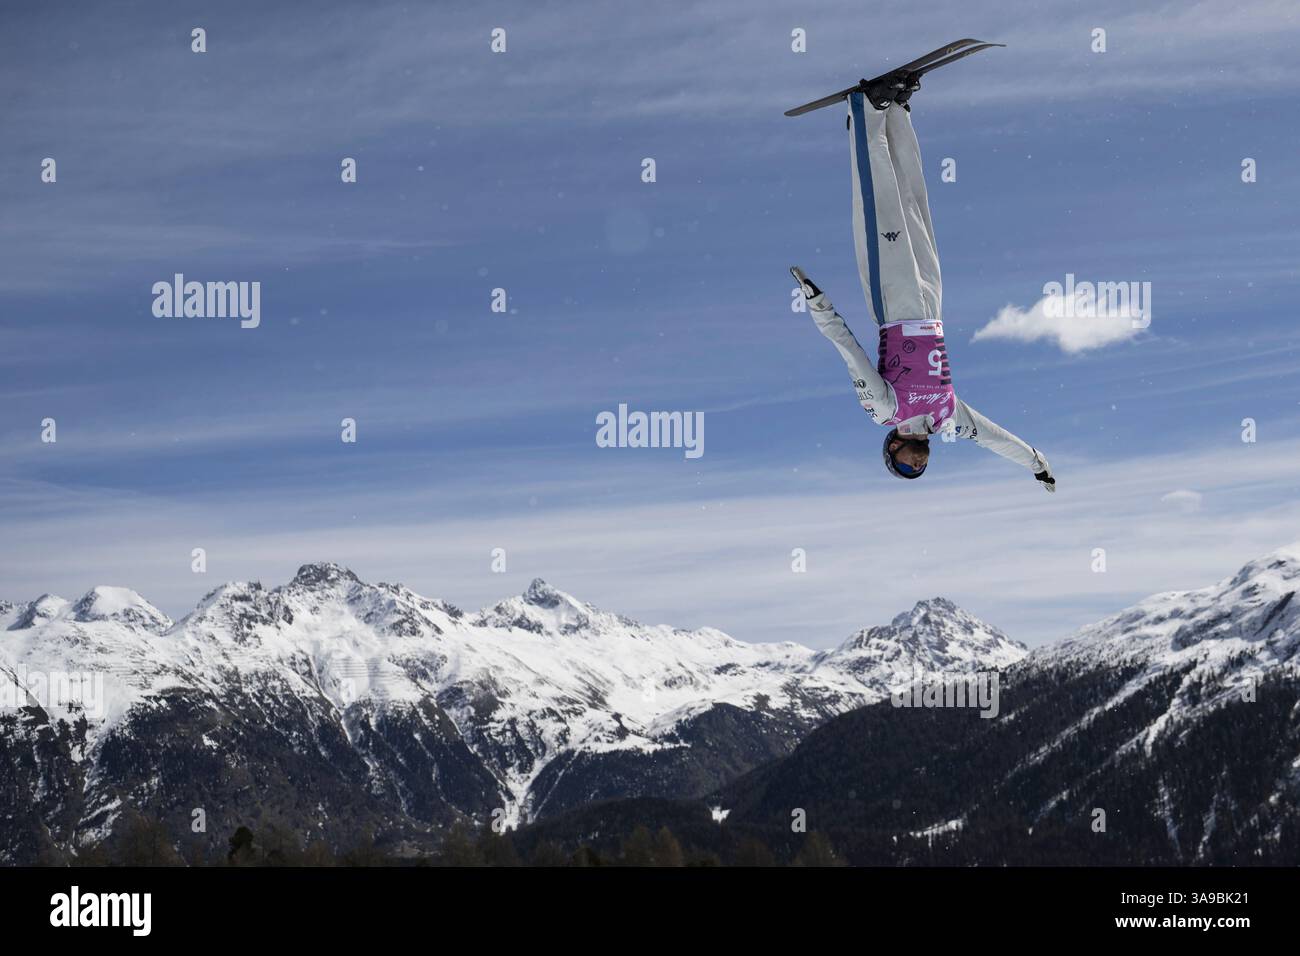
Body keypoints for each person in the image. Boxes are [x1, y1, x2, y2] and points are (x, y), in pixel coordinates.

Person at [792, 72, 1055, 491]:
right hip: (923, 307)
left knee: (891, 208)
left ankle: (874, 112)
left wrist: (819, 306)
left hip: (905, 307)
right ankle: (890, 111)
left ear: (893, 449)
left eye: (907, 467)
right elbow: (995, 439)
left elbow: (850, 353)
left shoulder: (895, 411)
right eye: (919, 468)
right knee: (909, 206)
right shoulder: (943, 417)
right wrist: (1036, 463)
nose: (916, 463)